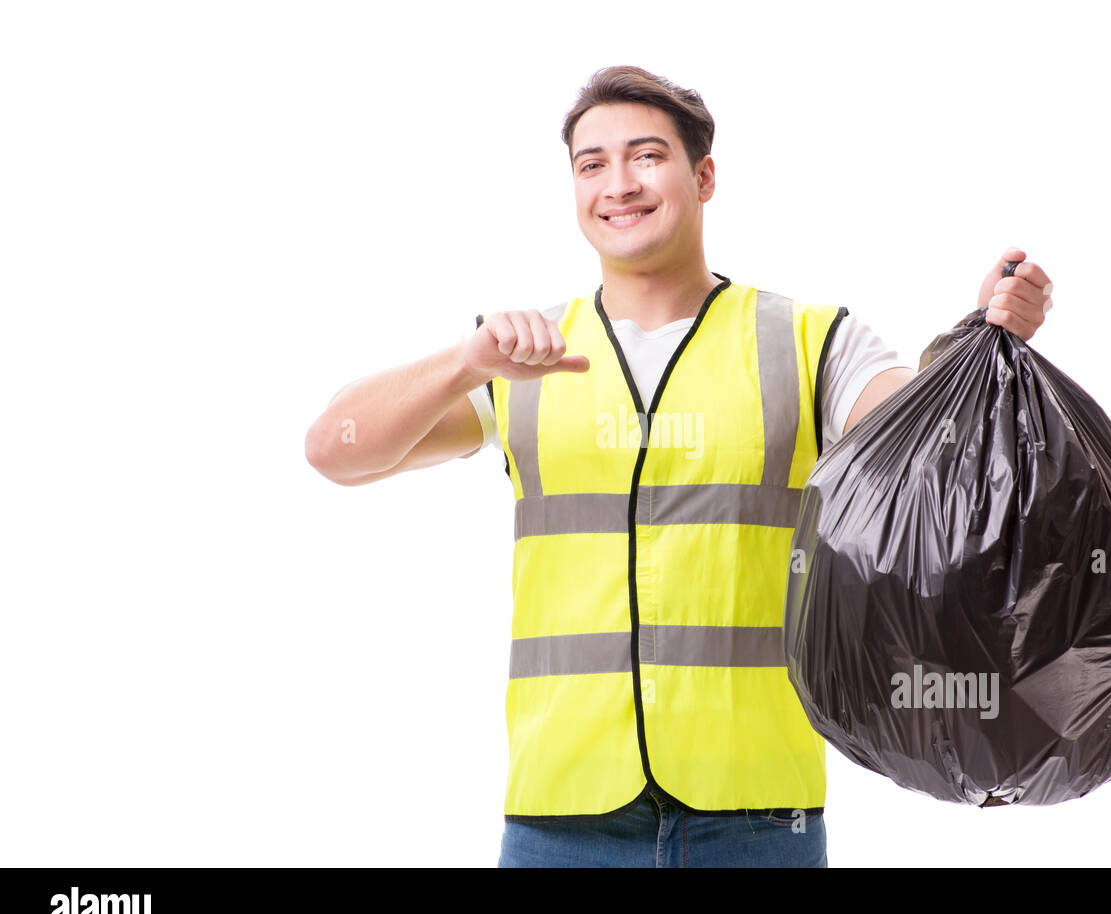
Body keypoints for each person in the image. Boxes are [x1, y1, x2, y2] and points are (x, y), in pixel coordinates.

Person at [304, 65, 1054, 868]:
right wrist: (461, 364)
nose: (618, 184)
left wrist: (980, 338)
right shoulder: (519, 357)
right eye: (592, 164)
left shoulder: (809, 341)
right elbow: (335, 449)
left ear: (703, 177)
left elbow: (925, 446)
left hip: (759, 816)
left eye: (646, 156)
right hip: (563, 819)